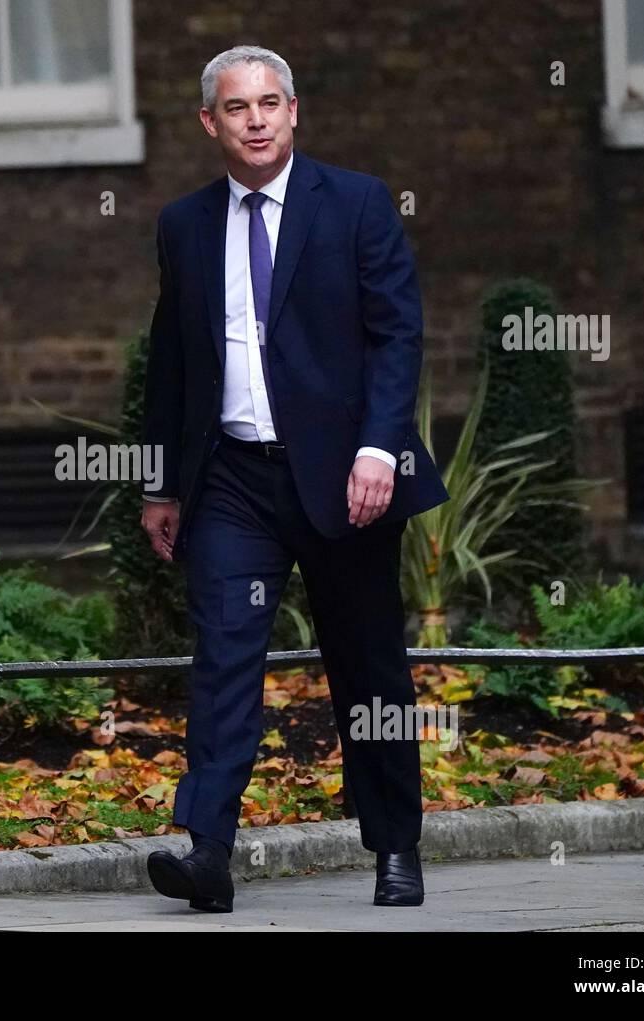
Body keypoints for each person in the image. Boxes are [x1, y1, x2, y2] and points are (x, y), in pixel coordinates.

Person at [139, 45, 449, 913]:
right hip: (233, 478)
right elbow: (172, 359)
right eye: (238, 108)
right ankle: (208, 850)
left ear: (294, 111)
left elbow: (399, 335)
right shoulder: (184, 224)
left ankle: (396, 845)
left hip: (346, 480)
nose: (257, 119)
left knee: (369, 666)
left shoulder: (354, 204)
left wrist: (380, 449)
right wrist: (161, 482)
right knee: (225, 657)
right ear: (212, 123)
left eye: (271, 103)